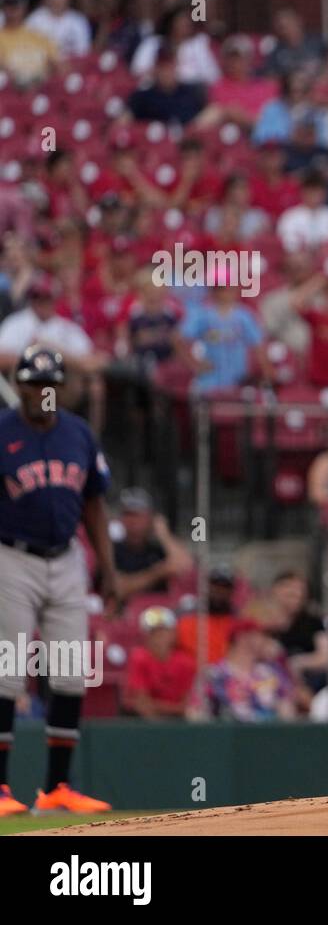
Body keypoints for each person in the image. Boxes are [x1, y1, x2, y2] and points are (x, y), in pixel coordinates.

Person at [0, 348, 117, 816]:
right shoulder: (3, 431)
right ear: (19, 386)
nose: (40, 393)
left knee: (70, 673)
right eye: (31, 385)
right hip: (12, 556)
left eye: (48, 385)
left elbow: (94, 504)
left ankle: (57, 788)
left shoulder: (78, 433)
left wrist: (107, 567)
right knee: (7, 672)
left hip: (67, 557)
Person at [111, 487, 194, 606]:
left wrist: (164, 534)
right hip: (124, 614)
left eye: (138, 515)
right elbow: (118, 588)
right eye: (127, 514)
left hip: (159, 614)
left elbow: (186, 566)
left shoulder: (157, 550)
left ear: (150, 518)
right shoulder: (113, 550)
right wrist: (159, 572)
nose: (132, 521)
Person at [123, 606, 196, 719]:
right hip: (145, 723)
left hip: (179, 723)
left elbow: (187, 706)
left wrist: (156, 706)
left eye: (163, 631)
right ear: (146, 636)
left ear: (173, 634)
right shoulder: (139, 658)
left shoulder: (186, 662)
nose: (158, 637)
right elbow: (142, 704)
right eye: (153, 632)